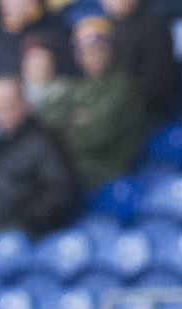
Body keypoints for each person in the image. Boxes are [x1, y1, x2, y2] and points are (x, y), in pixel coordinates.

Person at [34, 16, 144, 191]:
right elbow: (43, 115)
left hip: (107, 170)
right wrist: (75, 119)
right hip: (75, 167)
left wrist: (65, 125)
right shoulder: (77, 85)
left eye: (97, 49)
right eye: (84, 50)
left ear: (109, 50)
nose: (91, 55)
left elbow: (96, 133)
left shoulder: (121, 85)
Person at [0, 75, 79, 238]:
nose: (0, 113)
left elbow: (60, 191)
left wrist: (24, 221)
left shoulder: (45, 142)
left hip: (23, 233)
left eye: (7, 105)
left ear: (24, 103)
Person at [100, 0, 182, 124]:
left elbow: (156, 82)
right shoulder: (106, 28)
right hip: (113, 107)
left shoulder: (154, 25)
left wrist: (114, 106)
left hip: (148, 114)